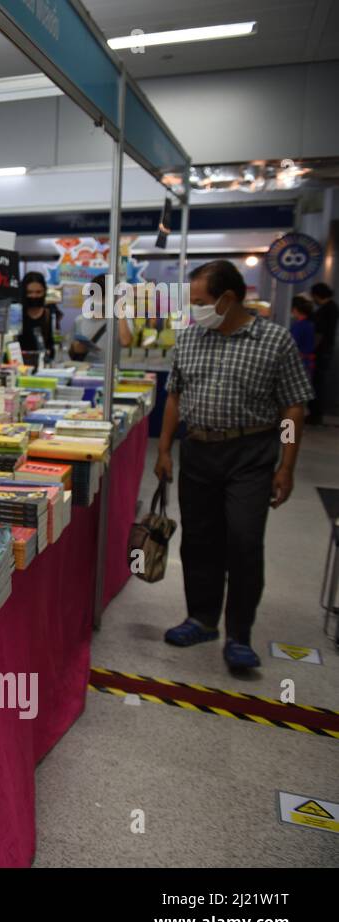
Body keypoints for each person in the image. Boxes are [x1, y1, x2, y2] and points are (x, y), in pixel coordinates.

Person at [155, 260, 313, 672]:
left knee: (243, 542)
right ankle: (201, 618)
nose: (195, 310)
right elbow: (174, 396)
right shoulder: (190, 339)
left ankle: (239, 635)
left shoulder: (275, 341)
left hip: (251, 454)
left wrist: (287, 466)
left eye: (200, 302)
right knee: (199, 540)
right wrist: (164, 450)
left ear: (228, 298)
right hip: (199, 452)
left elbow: (293, 408)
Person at [69, 274, 132, 361]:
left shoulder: (120, 320)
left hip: (111, 373)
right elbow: (71, 352)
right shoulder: (79, 320)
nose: (101, 301)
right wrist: (76, 348)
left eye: (105, 296)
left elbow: (126, 342)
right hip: (85, 372)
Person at [307, 282, 335, 424]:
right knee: (318, 382)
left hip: (320, 352)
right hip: (325, 350)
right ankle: (315, 413)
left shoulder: (326, 310)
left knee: (317, 382)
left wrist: (311, 348)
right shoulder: (331, 308)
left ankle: (315, 414)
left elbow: (320, 333)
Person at [17, 271, 58, 363]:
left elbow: (51, 343)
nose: (34, 296)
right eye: (29, 292)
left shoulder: (49, 312)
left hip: (42, 364)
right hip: (18, 362)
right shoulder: (17, 311)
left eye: (38, 292)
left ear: (44, 291)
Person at [289, 296, 316, 376]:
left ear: (295, 309)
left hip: (300, 363)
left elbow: (291, 344)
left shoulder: (300, 326)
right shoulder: (309, 324)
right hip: (307, 363)